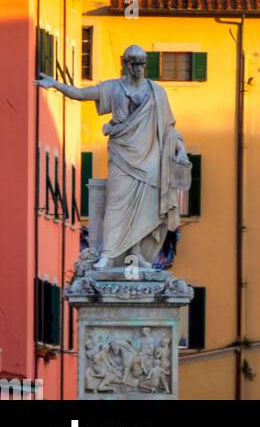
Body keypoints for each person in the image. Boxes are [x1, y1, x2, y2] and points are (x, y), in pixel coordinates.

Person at [38, 43, 190, 268]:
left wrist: (182, 150)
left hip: (150, 161)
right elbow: (81, 94)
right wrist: (55, 85)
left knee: (143, 210)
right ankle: (108, 254)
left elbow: (168, 130)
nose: (139, 68)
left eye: (142, 64)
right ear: (126, 64)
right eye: (134, 63)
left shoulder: (157, 92)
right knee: (116, 204)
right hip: (123, 155)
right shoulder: (113, 88)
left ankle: (136, 254)